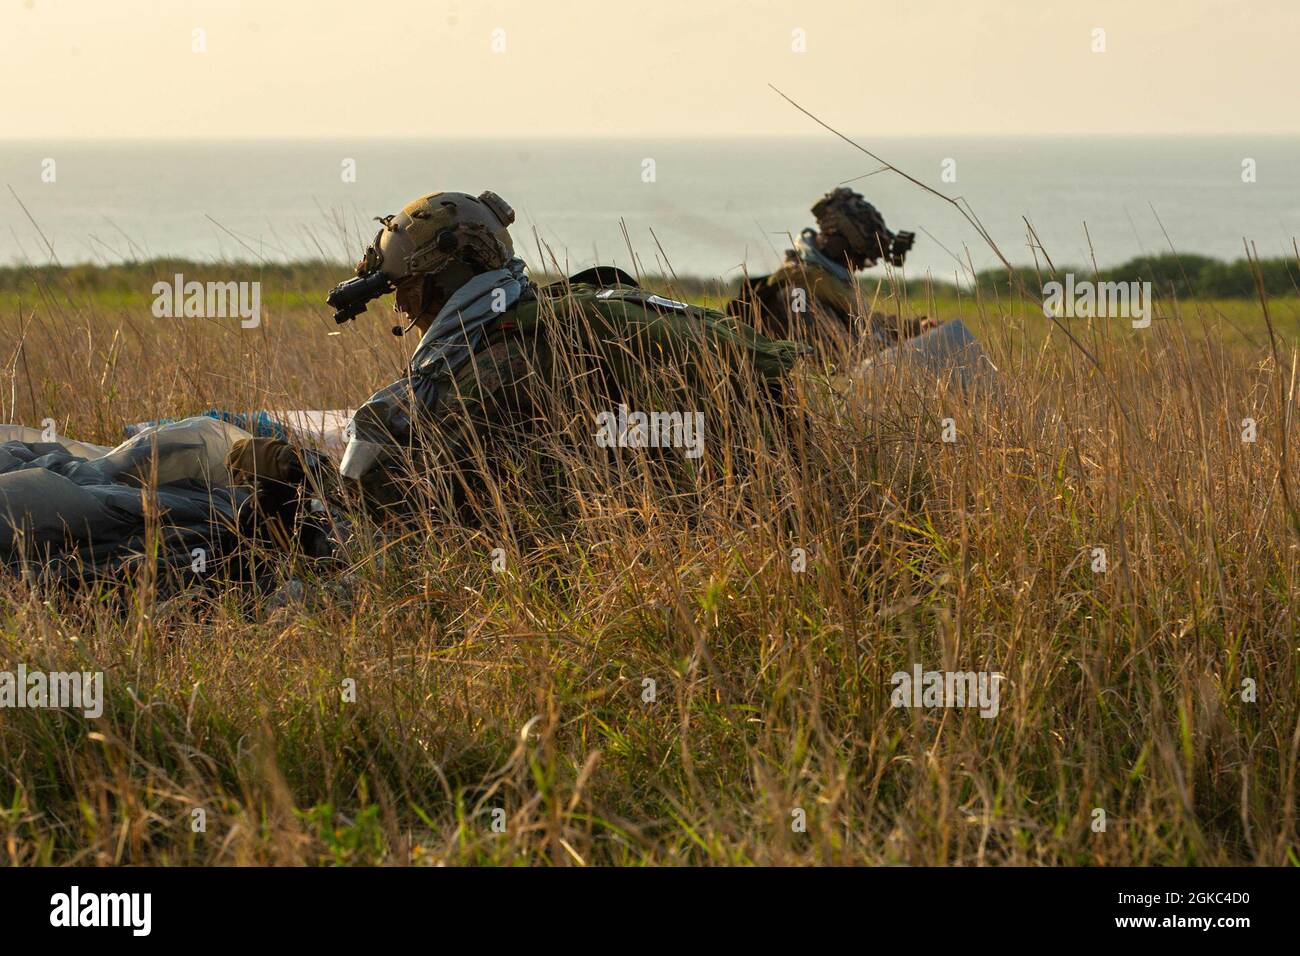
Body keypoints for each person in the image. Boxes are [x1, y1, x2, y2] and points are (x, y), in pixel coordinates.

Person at [329, 190, 808, 515]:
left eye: (408, 288)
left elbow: (419, 491)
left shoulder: (508, 353)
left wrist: (318, 490)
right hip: (742, 459)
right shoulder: (534, 312)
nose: (401, 305)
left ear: (447, 279)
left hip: (735, 485)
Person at [728, 187, 934, 358]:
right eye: (858, 257)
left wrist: (917, 328)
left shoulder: (825, 284)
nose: (858, 267)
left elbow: (868, 324)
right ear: (840, 245)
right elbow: (838, 354)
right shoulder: (799, 291)